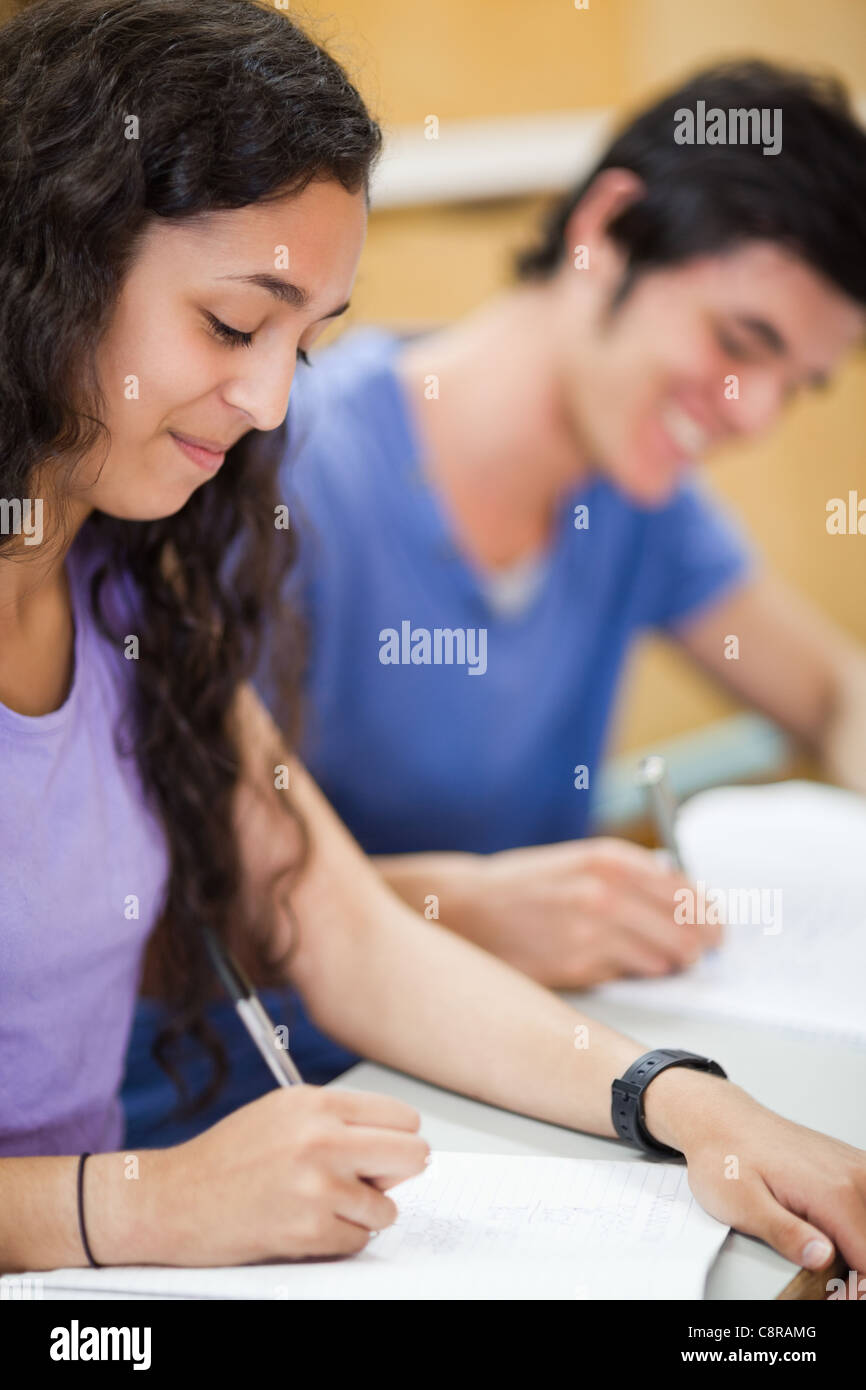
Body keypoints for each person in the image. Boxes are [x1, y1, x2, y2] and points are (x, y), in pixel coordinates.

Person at [3, 0, 865, 1282]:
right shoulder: (275, 487)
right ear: (55, 261)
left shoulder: (134, 573)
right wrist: (129, 1204)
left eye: (305, 340)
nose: (269, 401)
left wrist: (686, 1100)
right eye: (235, 327)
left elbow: (328, 918)